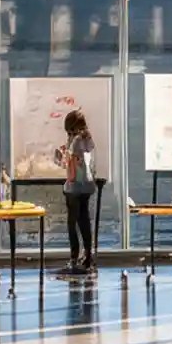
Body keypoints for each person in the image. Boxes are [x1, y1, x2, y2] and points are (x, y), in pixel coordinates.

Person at [53, 109, 97, 275]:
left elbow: (67, 164)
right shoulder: (88, 139)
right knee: (84, 221)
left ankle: (74, 257)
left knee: (72, 223)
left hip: (74, 187)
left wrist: (60, 155)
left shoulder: (76, 140)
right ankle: (87, 257)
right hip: (87, 185)